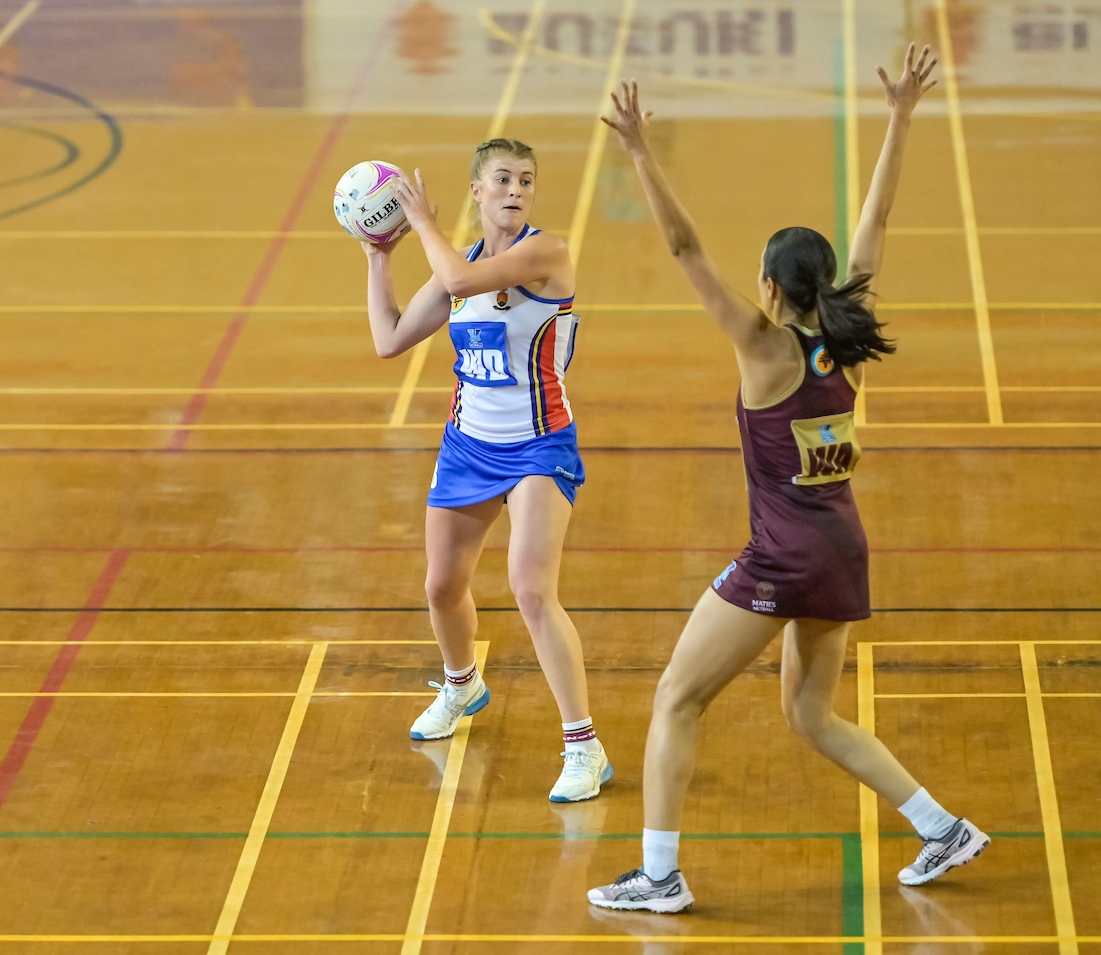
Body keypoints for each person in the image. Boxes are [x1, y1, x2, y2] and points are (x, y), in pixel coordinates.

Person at [587, 45, 988, 913]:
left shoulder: (762, 347)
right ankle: (941, 826)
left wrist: (640, 155)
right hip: (842, 547)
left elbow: (686, 246)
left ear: (769, 286)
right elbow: (876, 222)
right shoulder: (848, 336)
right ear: (825, 283)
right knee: (809, 715)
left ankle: (659, 877)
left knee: (676, 699)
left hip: (784, 557)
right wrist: (900, 118)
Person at [362, 138, 613, 803]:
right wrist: (376, 259)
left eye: (525, 180)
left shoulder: (544, 253)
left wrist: (419, 221)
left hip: (538, 446)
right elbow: (388, 339)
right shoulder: (460, 261)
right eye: (502, 178)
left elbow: (460, 283)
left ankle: (584, 747)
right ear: (478, 190)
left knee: (531, 590)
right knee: (442, 586)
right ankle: (461, 683)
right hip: (468, 445)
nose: (515, 189)